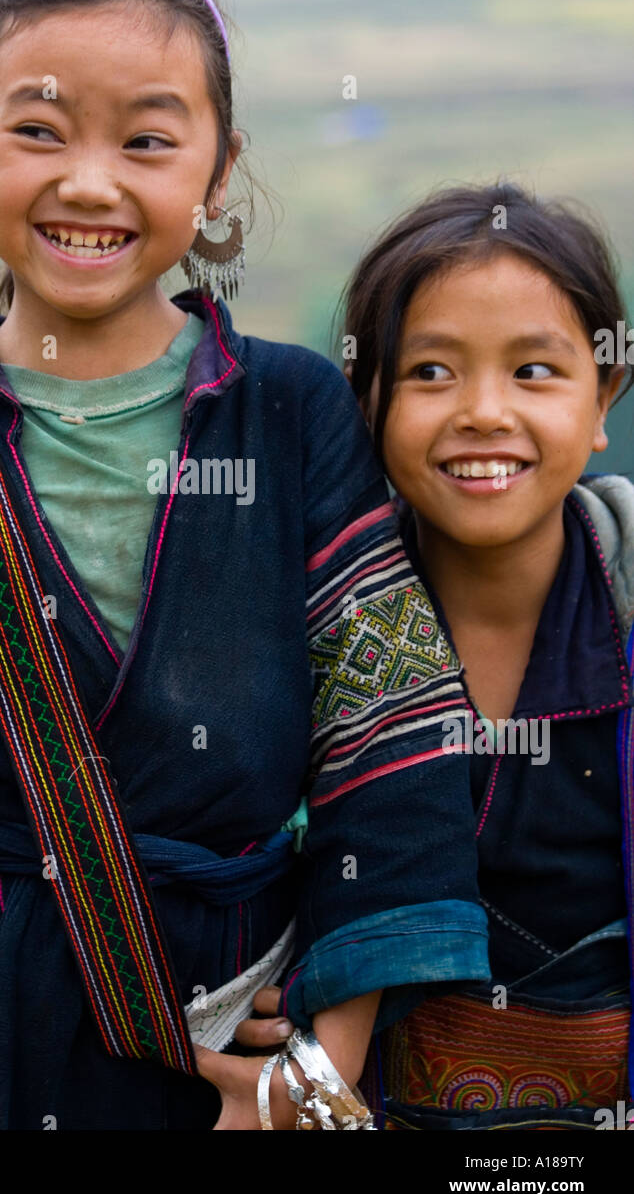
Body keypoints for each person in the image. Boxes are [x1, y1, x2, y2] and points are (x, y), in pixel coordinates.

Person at [0, 0, 490, 1131]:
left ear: (216, 171)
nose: (91, 183)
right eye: (38, 130)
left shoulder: (289, 411)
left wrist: (311, 1077)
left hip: (246, 1029)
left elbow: (387, 750)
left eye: (148, 140)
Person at [239, 182, 634, 1130]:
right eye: (429, 373)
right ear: (363, 406)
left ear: (602, 400)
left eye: (535, 371)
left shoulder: (624, 602)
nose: (484, 412)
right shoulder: (308, 624)